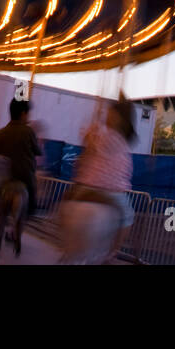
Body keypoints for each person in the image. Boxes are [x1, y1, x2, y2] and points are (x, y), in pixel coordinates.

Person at [62, 99, 136, 263]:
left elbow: (86, 149)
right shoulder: (122, 141)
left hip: (85, 188)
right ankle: (112, 252)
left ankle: (64, 246)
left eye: (109, 115)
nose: (106, 117)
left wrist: (90, 133)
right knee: (129, 216)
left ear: (114, 118)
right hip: (112, 192)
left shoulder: (98, 134)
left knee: (65, 204)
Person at [0, 98, 42, 218]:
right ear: (23, 113)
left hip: (4, 178)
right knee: (30, 201)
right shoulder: (28, 131)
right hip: (24, 178)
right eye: (28, 113)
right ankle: (30, 212)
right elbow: (37, 151)